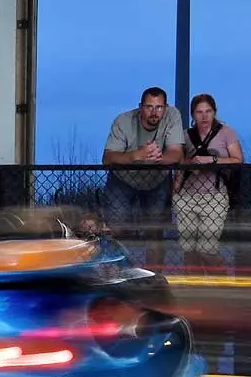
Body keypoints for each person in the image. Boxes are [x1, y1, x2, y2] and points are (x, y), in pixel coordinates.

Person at [102, 86, 185, 266]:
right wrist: (136, 155)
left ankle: (153, 278)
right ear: (140, 107)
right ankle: (114, 273)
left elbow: (176, 152)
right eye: (149, 107)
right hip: (123, 179)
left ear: (166, 107)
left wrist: (159, 158)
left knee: (154, 231)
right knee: (116, 229)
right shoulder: (123, 121)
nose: (154, 112)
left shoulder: (173, 116)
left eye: (159, 107)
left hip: (157, 179)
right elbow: (107, 158)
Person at [175, 93, 241, 267]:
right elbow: (179, 165)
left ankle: (223, 284)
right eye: (199, 112)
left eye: (208, 111)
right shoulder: (186, 135)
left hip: (215, 195)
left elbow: (237, 160)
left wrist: (211, 160)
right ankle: (194, 290)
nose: (204, 116)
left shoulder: (226, 132)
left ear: (214, 112)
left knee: (207, 249)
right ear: (192, 114)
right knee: (189, 250)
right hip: (186, 196)